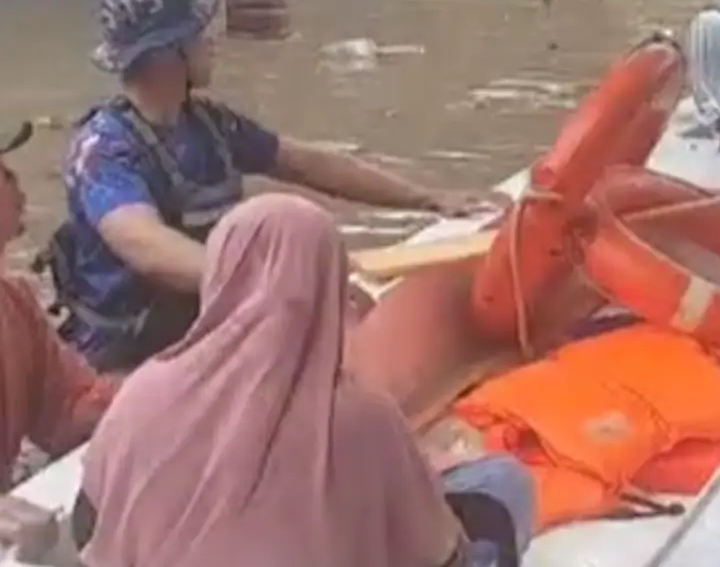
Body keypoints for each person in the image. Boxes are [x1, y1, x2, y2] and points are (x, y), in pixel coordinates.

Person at [43, 0, 505, 372]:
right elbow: (144, 245)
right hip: (126, 360)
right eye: (199, 35)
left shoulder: (211, 125)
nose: (213, 43)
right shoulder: (103, 151)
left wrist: (427, 199)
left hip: (206, 327)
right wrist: (269, 282)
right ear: (168, 55)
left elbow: (310, 165)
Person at [74, 194, 533, 567]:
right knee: (500, 482)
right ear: (330, 285)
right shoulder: (361, 418)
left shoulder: (144, 389)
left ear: (218, 275)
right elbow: (441, 556)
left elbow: (87, 524)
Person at [0, 119, 116, 490]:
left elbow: (68, 410)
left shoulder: (14, 302)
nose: (15, 183)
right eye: (3, 173)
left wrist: (165, 390)